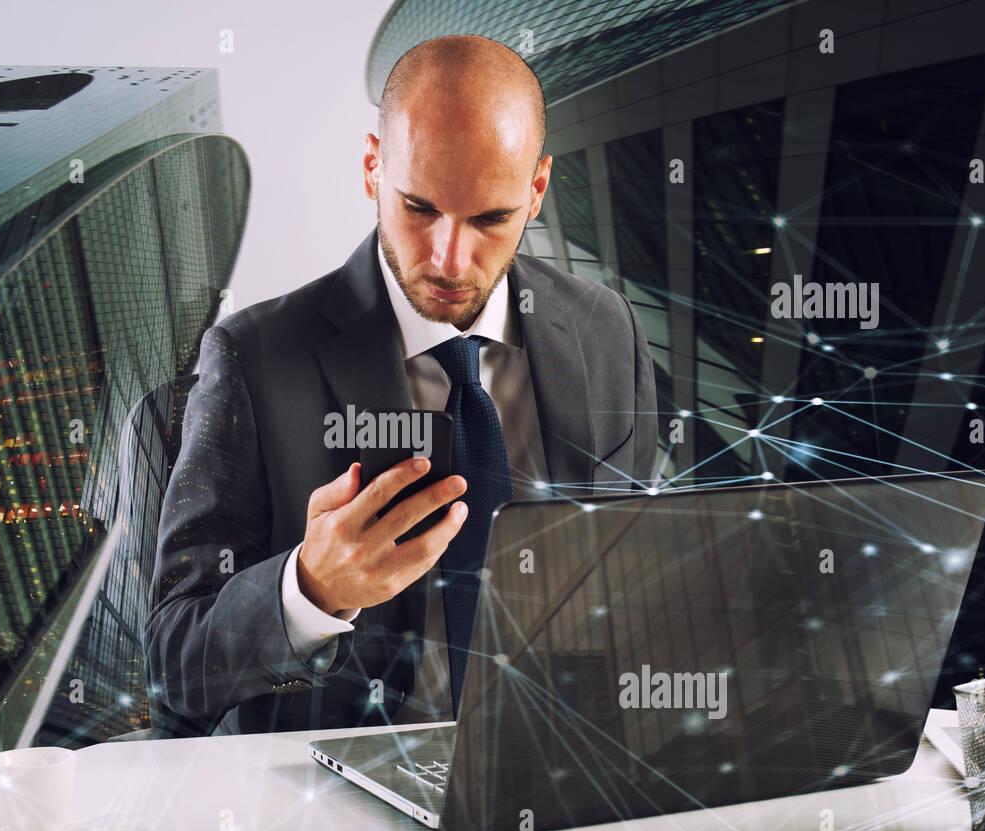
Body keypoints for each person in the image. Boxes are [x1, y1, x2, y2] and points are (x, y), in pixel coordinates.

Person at [144, 34, 659, 736]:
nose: (449, 258)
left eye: (490, 218)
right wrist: (308, 589)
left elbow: (635, 573)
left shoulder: (607, 331)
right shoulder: (254, 357)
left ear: (536, 190)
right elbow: (173, 659)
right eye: (419, 207)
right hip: (342, 808)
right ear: (371, 168)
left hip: (565, 765)